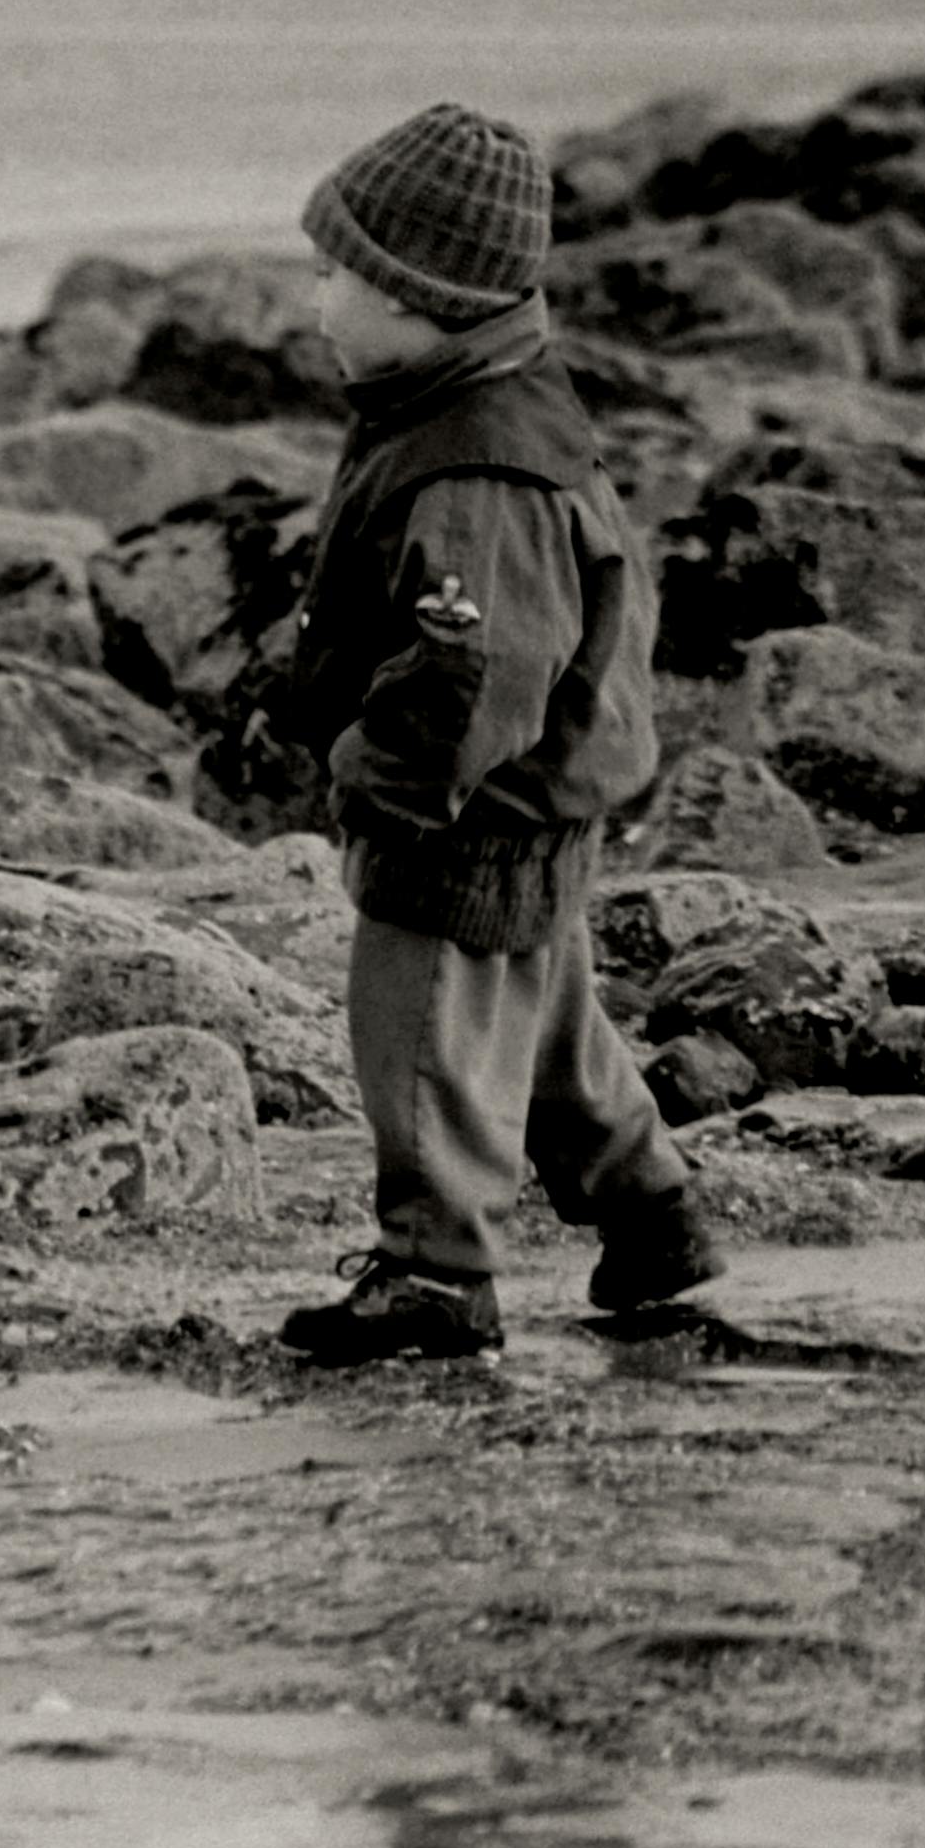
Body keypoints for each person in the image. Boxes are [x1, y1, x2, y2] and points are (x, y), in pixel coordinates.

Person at [268, 107, 725, 1364]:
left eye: (335, 279)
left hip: (466, 803)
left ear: (425, 302)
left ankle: (438, 1269)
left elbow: (480, 665)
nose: (314, 307)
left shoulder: (475, 465)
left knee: (419, 1027)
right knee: (545, 1019)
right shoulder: (478, 402)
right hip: (536, 795)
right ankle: (653, 1212)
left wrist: (382, 774)